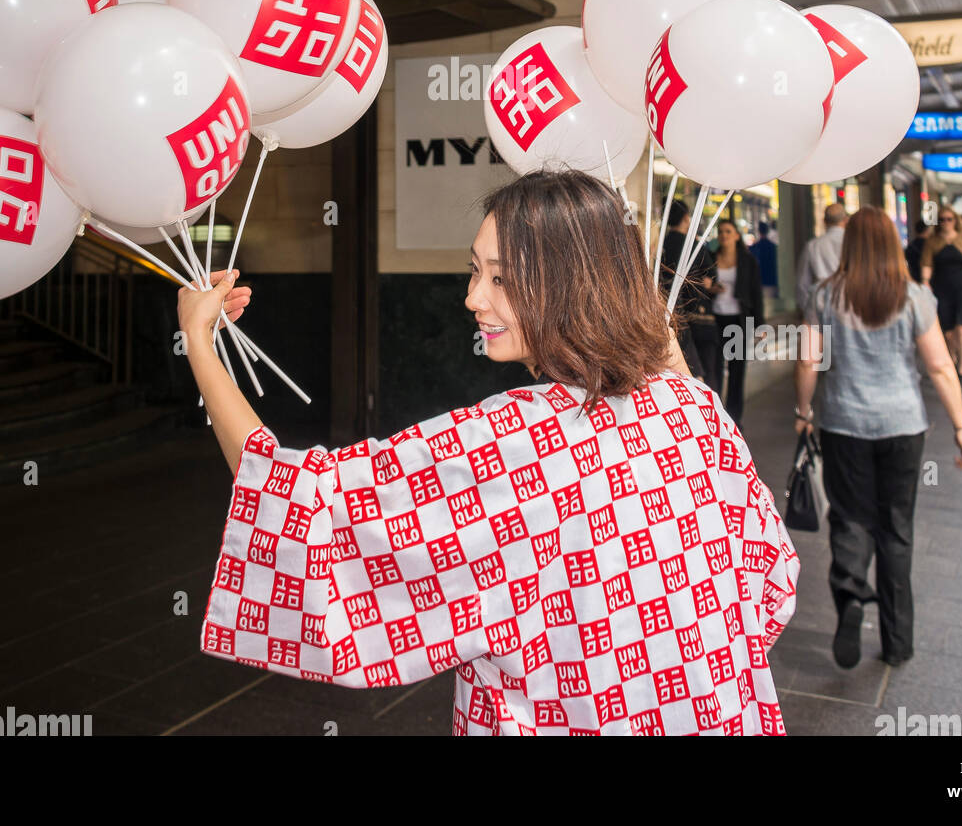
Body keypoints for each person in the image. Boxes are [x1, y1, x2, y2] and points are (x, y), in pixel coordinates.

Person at [186, 169, 799, 736]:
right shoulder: (696, 410)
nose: (474, 298)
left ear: (567, 284)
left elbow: (300, 501)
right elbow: (771, 584)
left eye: (501, 277)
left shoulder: (514, 446)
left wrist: (198, 343)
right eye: (475, 270)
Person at [795, 206, 962, 670]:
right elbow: (939, 366)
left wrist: (803, 411)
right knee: (897, 531)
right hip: (903, 425)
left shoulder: (825, 294)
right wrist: (960, 428)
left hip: (843, 423)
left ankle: (852, 594)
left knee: (851, 518)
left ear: (850, 245)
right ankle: (898, 643)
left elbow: (807, 361)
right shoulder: (914, 296)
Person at [706, 217, 764, 428]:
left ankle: (734, 417)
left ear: (737, 236)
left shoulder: (748, 261)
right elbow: (702, 286)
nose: (723, 235)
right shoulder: (710, 258)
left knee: (737, 369)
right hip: (715, 318)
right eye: (721, 232)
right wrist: (710, 288)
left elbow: (756, 294)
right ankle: (718, 414)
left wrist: (760, 324)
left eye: (728, 231)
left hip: (738, 320)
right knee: (716, 368)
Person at [920, 208, 962, 379]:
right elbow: (927, 264)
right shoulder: (932, 241)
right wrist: (926, 282)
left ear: (955, 220)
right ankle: (953, 359)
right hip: (941, 288)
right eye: (942, 219)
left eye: (949, 219)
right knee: (947, 331)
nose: (946, 223)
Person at [659, 197, 713, 381]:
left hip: (673, 315)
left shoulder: (660, 245)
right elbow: (708, 282)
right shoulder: (694, 245)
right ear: (686, 218)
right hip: (699, 316)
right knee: (704, 371)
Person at [798, 203, 848, 318]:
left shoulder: (813, 246)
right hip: (848, 308)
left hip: (821, 307)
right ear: (845, 220)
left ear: (824, 221)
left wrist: (810, 311)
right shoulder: (854, 243)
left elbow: (802, 285)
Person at [749, 221, 778, 298]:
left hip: (758, 281)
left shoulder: (754, 248)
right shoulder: (773, 248)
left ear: (759, 231)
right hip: (771, 281)